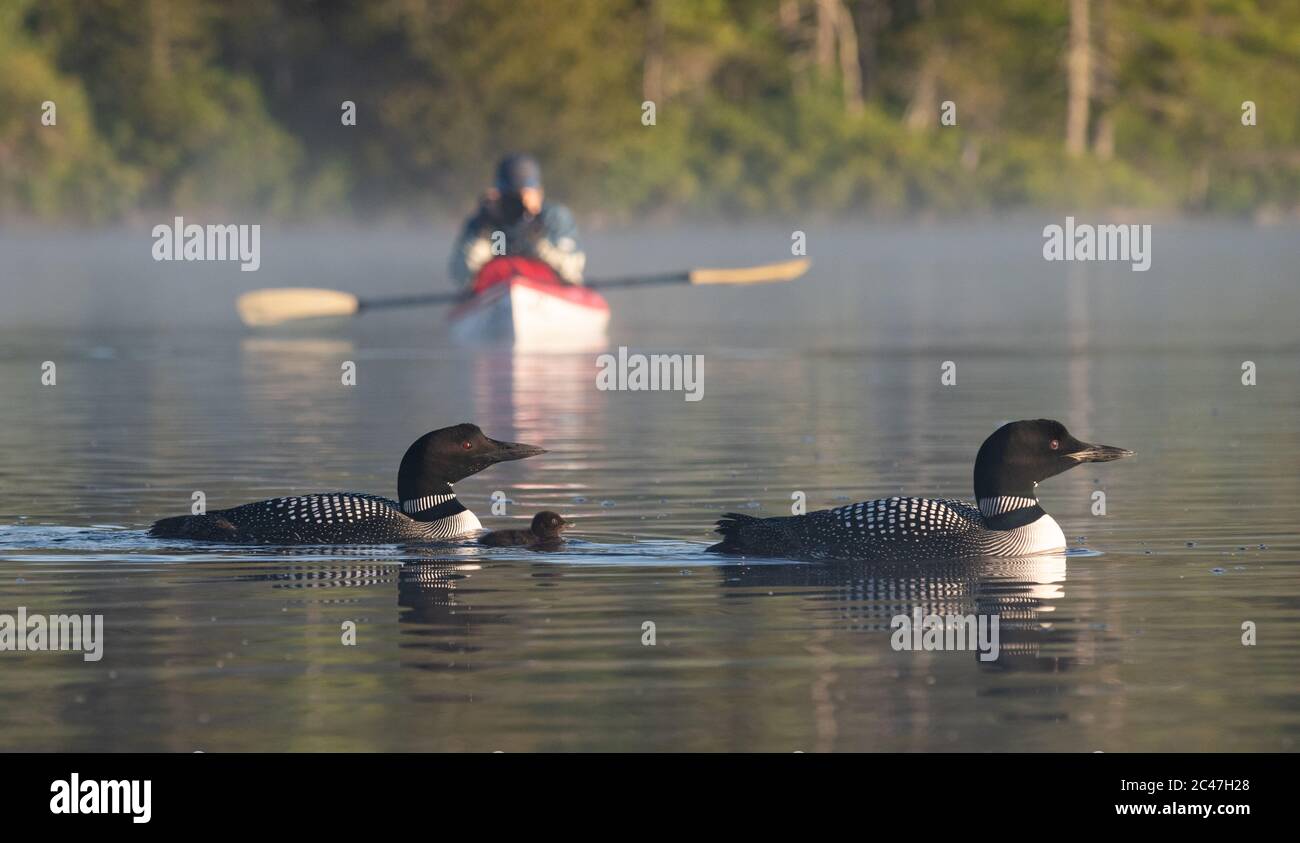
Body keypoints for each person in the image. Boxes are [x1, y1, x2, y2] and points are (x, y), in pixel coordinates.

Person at [449, 154, 586, 288]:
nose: (517, 203)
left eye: (523, 194)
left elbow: (572, 271)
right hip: (498, 287)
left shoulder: (553, 218)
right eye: (510, 196)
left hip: (549, 287)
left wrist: (536, 237)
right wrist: (486, 226)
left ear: (539, 192)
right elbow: (463, 275)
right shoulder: (492, 225)